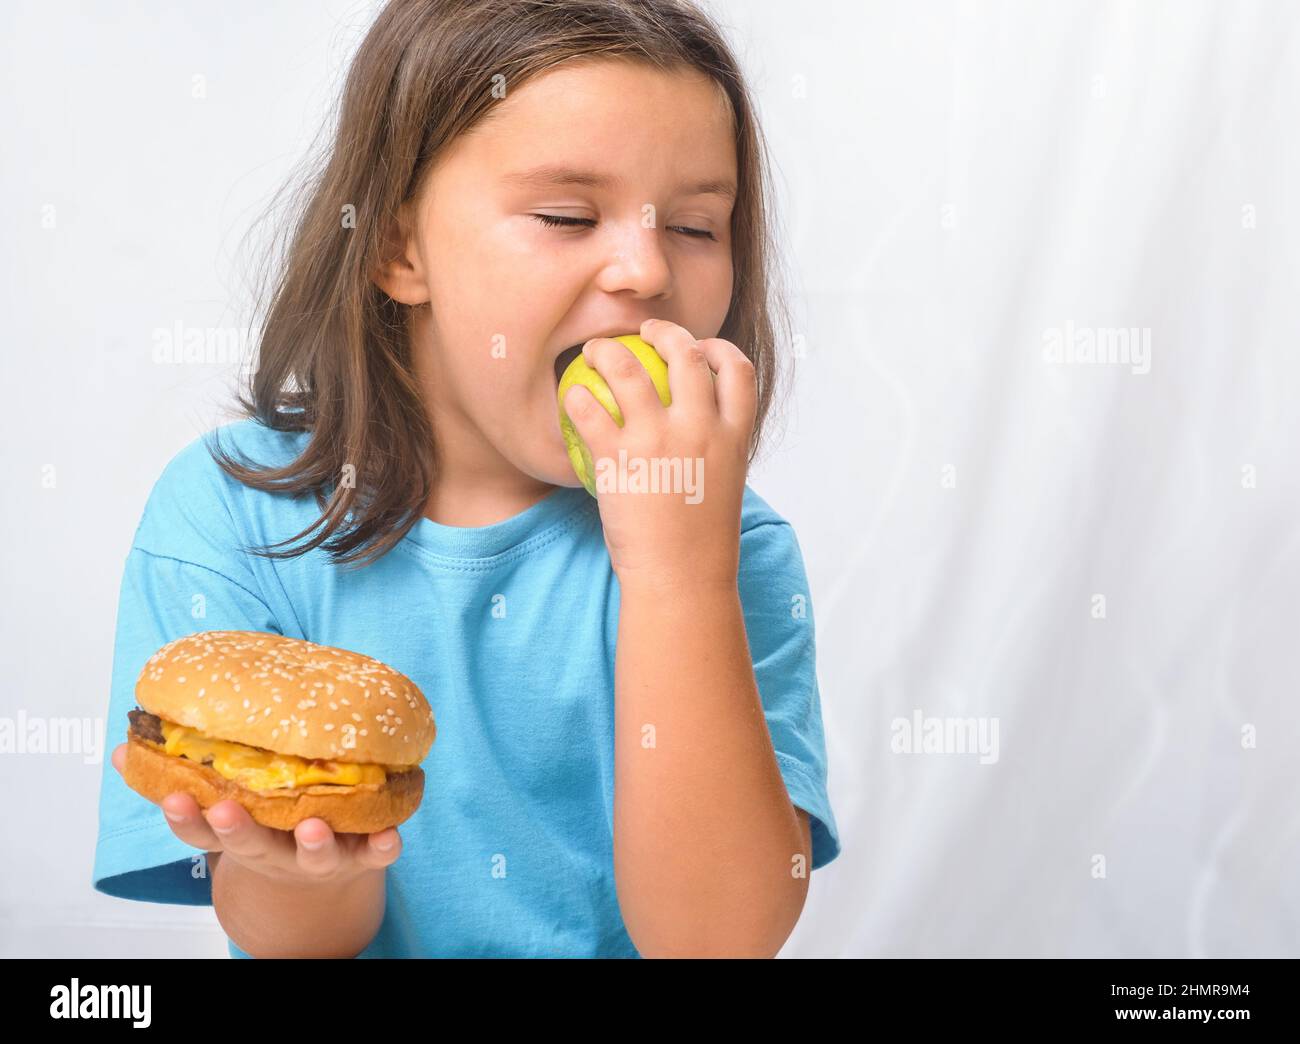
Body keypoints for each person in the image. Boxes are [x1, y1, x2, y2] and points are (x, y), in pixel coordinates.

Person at [93, 0, 841, 958]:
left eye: (696, 227)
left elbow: (717, 943)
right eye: (569, 215)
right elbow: (297, 942)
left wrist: (680, 579)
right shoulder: (232, 517)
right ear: (398, 248)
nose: (645, 268)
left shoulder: (731, 547)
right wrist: (295, 866)